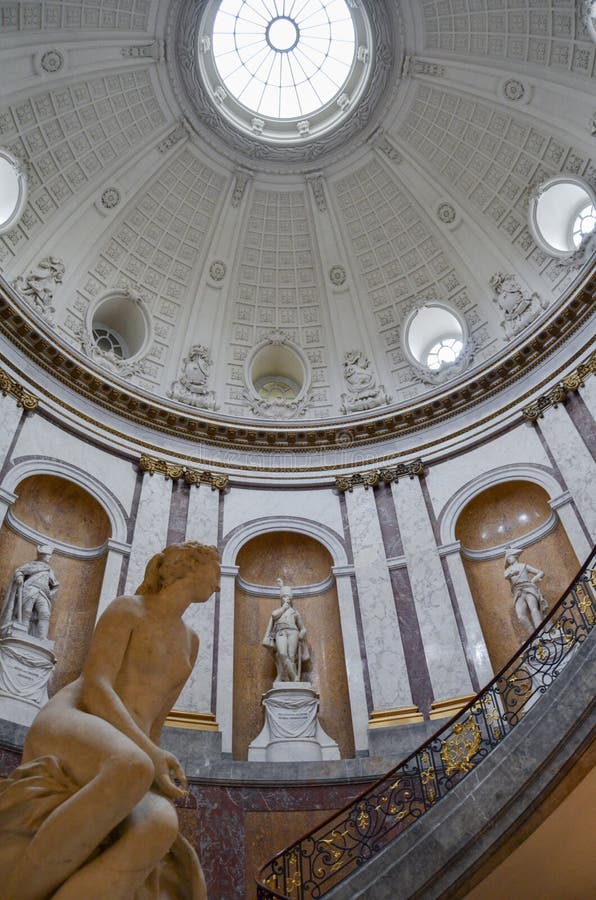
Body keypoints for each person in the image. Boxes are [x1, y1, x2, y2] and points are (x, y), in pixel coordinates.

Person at [0, 541, 220, 900]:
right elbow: (97, 688)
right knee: (129, 766)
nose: (219, 584)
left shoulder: (190, 642)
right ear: (189, 567)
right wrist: (149, 753)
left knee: (160, 824)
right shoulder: (128, 610)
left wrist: (157, 765)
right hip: (74, 718)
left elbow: (155, 717)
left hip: (129, 742)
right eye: (215, 571)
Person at [0, 544, 59, 639]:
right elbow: (19, 571)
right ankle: (22, 634)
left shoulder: (49, 570)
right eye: (48, 555)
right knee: (26, 612)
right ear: (43, 555)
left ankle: (42, 637)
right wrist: (19, 577)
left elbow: (55, 585)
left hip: (43, 593)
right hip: (30, 590)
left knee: (45, 613)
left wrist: (50, 594)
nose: (50, 557)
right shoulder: (32, 565)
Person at [262, 578, 309, 682]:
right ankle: (294, 677)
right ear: (281, 599)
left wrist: (301, 634)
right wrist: (283, 608)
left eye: (287, 597)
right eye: (283, 597)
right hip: (281, 633)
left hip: (293, 632)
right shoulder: (278, 611)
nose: (285, 598)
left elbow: (303, 628)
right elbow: (274, 615)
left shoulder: (295, 612)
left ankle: (288, 680)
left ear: (291, 599)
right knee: (282, 654)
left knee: (291, 656)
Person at [504, 547, 548, 633]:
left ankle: (541, 632)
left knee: (534, 609)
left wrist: (532, 581)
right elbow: (506, 576)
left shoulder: (524, 566)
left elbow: (540, 572)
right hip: (518, 592)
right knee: (520, 616)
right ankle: (533, 635)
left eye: (510, 557)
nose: (508, 560)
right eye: (507, 558)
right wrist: (511, 573)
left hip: (529, 588)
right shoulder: (507, 570)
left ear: (515, 556)